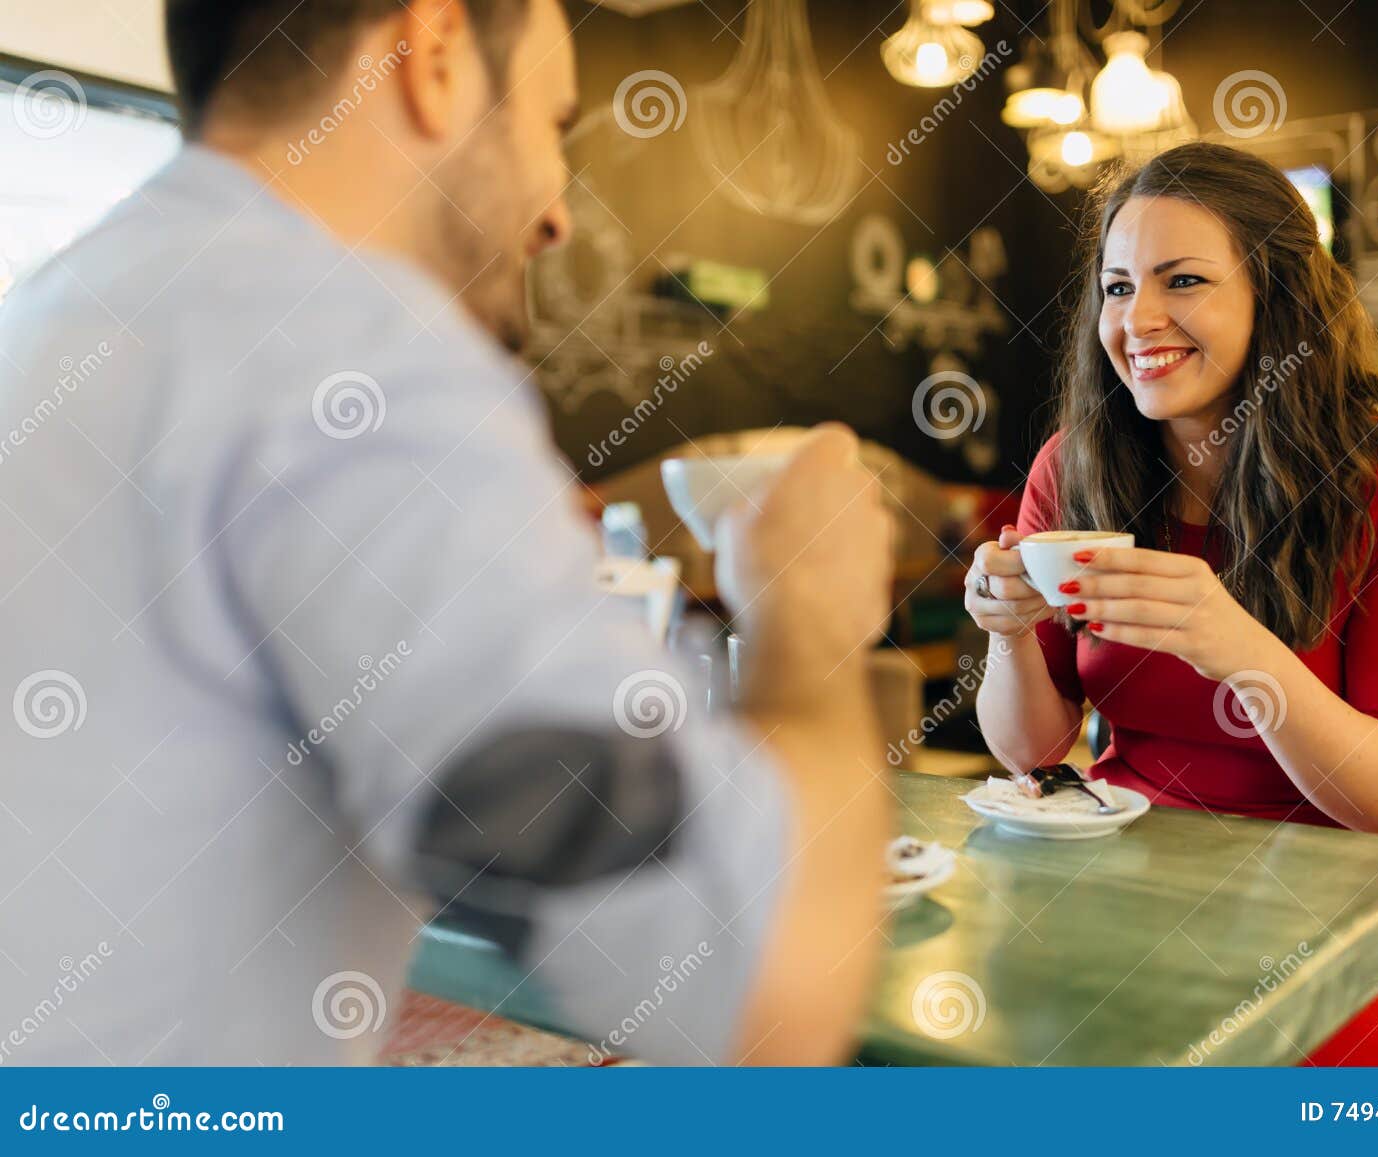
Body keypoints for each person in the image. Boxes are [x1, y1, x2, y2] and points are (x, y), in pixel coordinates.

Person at [0, 0, 893, 1066]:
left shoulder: (59, 309)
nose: (557, 212)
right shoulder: (351, 345)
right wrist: (809, 608)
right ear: (432, 56)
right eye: (550, 126)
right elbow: (761, 993)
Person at [966, 142, 1378, 1066]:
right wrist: (1008, 633)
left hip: (1338, 918)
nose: (1139, 318)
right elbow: (1032, 751)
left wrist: (1236, 646)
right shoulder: (1073, 468)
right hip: (1119, 885)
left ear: (1275, 298)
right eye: (1117, 288)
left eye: (1184, 280)